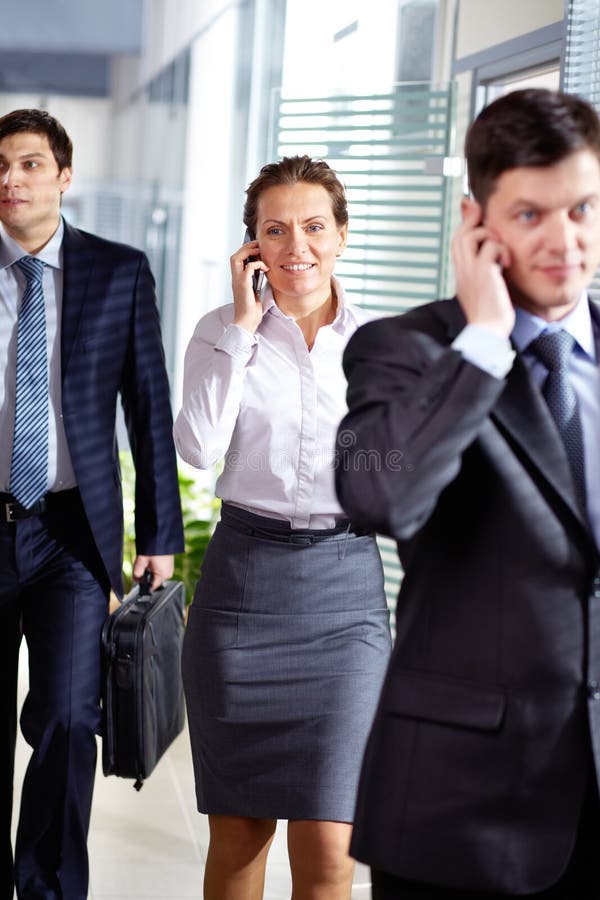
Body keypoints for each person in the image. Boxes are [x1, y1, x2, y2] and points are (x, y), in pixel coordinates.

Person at [335, 87, 600, 899]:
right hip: (461, 811)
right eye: (530, 215)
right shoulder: (406, 350)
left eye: (584, 208)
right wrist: (484, 343)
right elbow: (380, 497)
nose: (565, 240)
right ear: (476, 221)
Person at [173, 154, 391, 900]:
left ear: (341, 236)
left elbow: (397, 468)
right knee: (239, 836)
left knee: (332, 844)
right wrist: (240, 329)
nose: (296, 245)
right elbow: (198, 450)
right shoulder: (219, 332)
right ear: (252, 247)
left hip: (345, 599)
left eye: (312, 226)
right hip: (243, 590)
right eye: (275, 229)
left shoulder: (381, 345)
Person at [0, 109, 184, 899]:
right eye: (1, 166)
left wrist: (159, 533)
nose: (11, 180)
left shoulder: (119, 271)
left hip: (73, 533)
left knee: (73, 719)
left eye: (30, 164)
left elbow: (148, 406)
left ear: (64, 176)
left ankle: (46, 888)